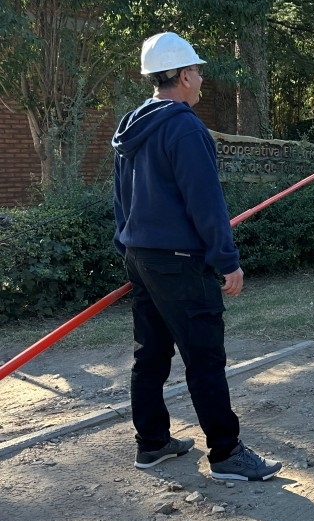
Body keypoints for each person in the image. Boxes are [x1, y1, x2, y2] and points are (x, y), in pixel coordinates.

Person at [112, 32, 282, 482]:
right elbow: (206, 203)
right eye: (198, 71)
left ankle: (151, 444)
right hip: (181, 260)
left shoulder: (131, 125)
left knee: (149, 354)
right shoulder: (185, 126)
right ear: (184, 75)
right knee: (204, 357)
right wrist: (227, 261)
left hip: (141, 254)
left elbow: (120, 198)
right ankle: (226, 454)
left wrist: (127, 245)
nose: (201, 79)